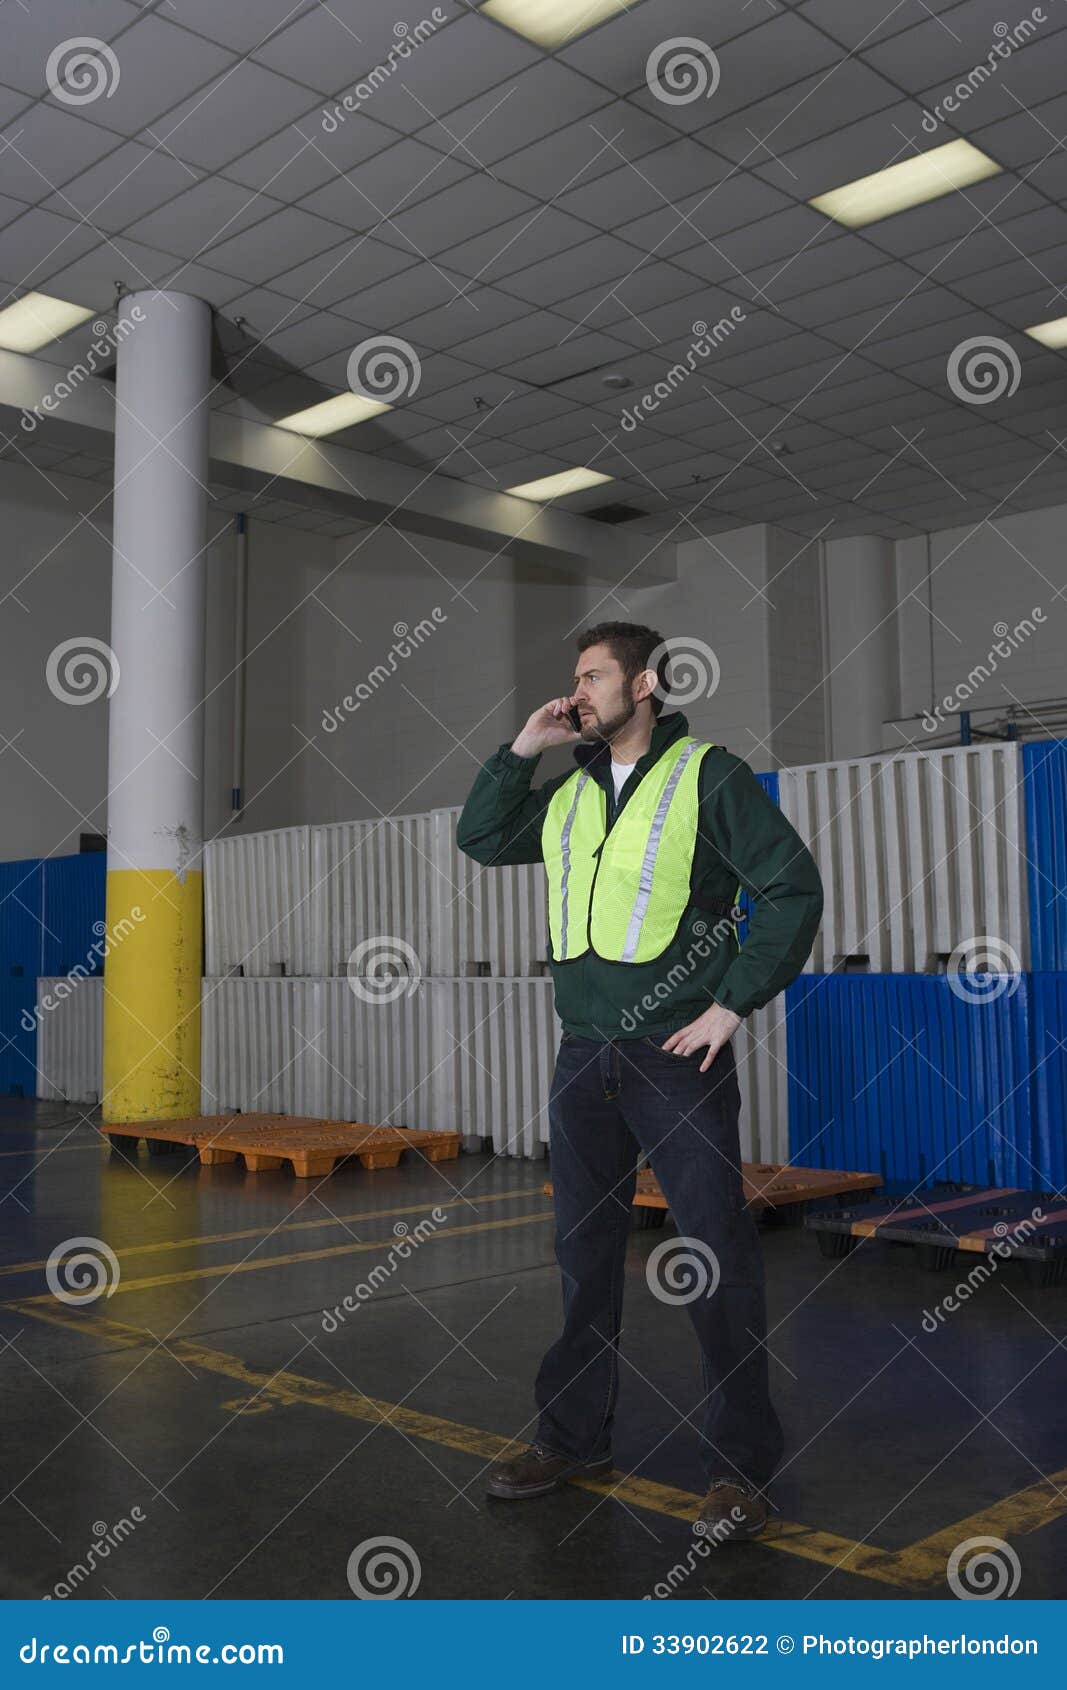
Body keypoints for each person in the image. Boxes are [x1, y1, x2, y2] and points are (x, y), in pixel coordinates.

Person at [455, 622, 823, 1540]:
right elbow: (482, 837)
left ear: (645, 684)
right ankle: (571, 1439)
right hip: (582, 1056)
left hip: (675, 1057)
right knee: (583, 1260)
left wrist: (731, 1006)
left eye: (592, 677)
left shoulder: (707, 776)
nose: (576, 692)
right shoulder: (571, 793)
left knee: (713, 1259)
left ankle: (739, 1472)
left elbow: (791, 888)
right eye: (573, 679)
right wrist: (523, 747)